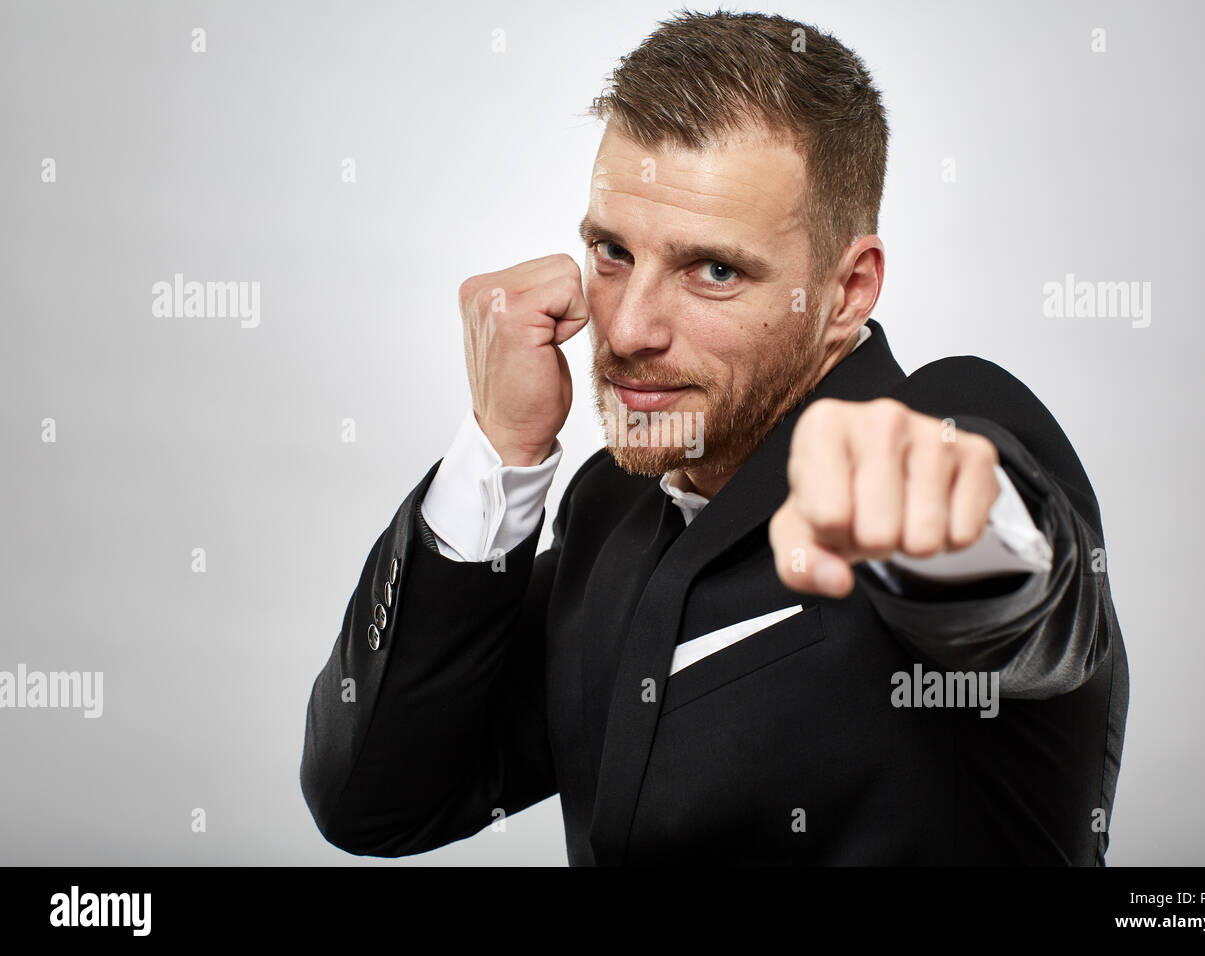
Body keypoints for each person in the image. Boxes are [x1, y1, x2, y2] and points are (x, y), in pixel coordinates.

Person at [299, 9, 1128, 865]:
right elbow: (376, 803)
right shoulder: (608, 512)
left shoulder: (937, 427)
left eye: (715, 270)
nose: (624, 329)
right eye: (613, 252)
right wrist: (500, 451)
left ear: (847, 292)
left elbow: (1035, 603)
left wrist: (957, 524)